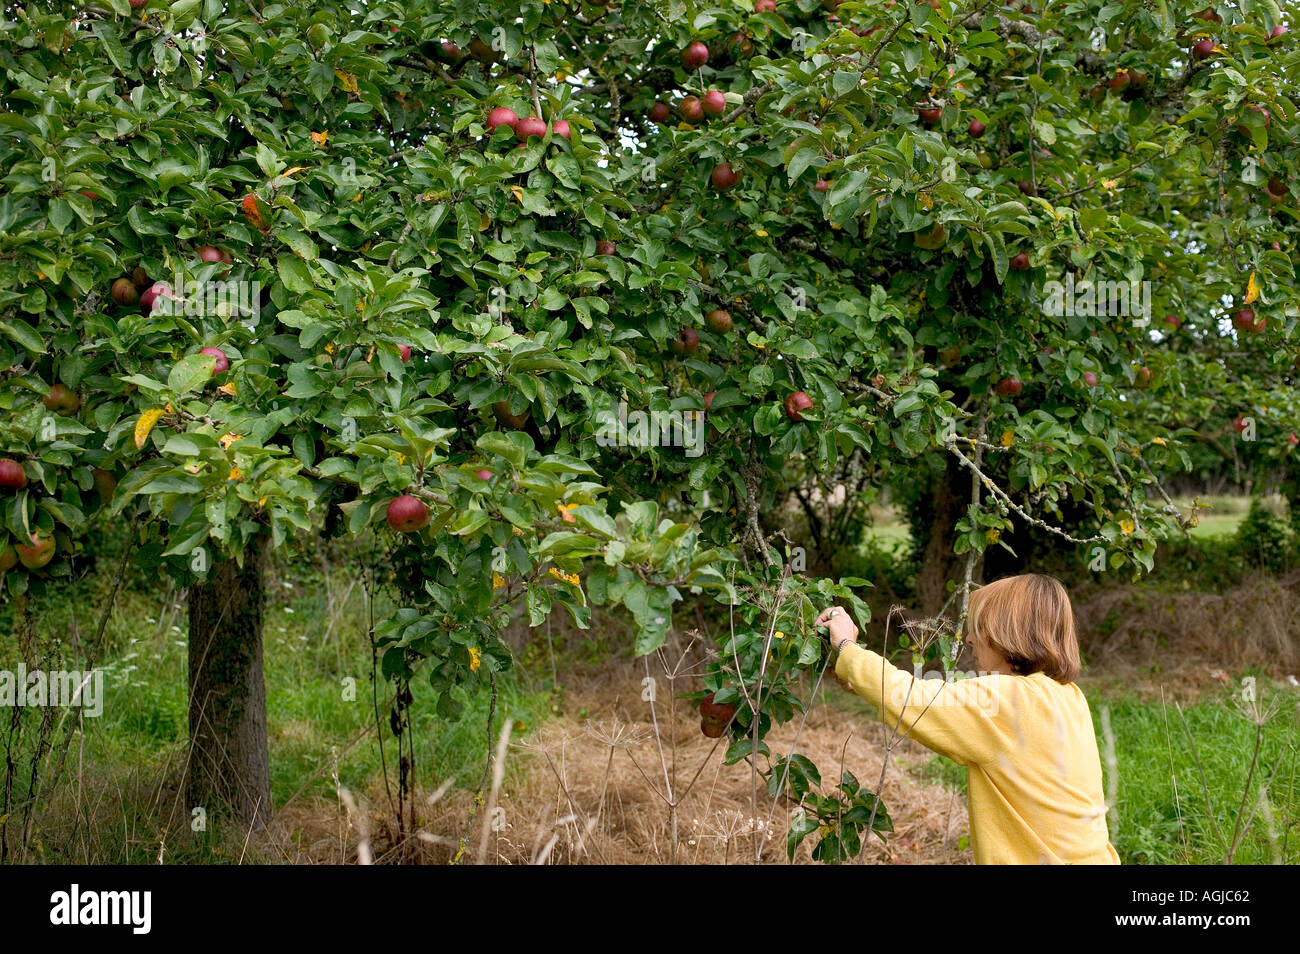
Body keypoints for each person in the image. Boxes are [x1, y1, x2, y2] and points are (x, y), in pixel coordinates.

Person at [817, 573, 1120, 865]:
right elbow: (924, 704)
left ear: (1009, 634)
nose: (971, 639)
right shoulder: (1068, 696)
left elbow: (913, 702)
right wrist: (856, 675)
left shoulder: (1008, 701)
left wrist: (846, 647)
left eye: (982, 627)